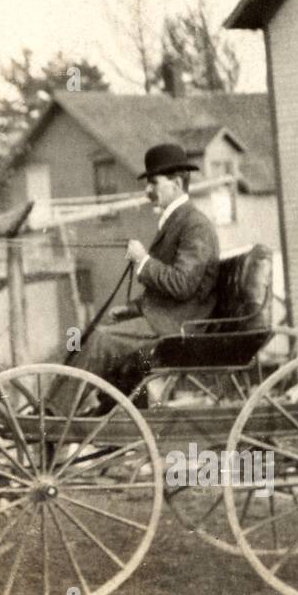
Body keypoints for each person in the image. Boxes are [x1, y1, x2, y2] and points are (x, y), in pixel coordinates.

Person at [50, 142, 220, 411]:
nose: (147, 191)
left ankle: (53, 413)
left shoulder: (195, 225)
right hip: (168, 319)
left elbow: (182, 284)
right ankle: (111, 410)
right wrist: (132, 309)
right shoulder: (176, 221)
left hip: (180, 326)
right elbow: (166, 291)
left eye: (153, 183)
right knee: (91, 335)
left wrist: (143, 261)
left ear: (175, 183)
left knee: (102, 340)